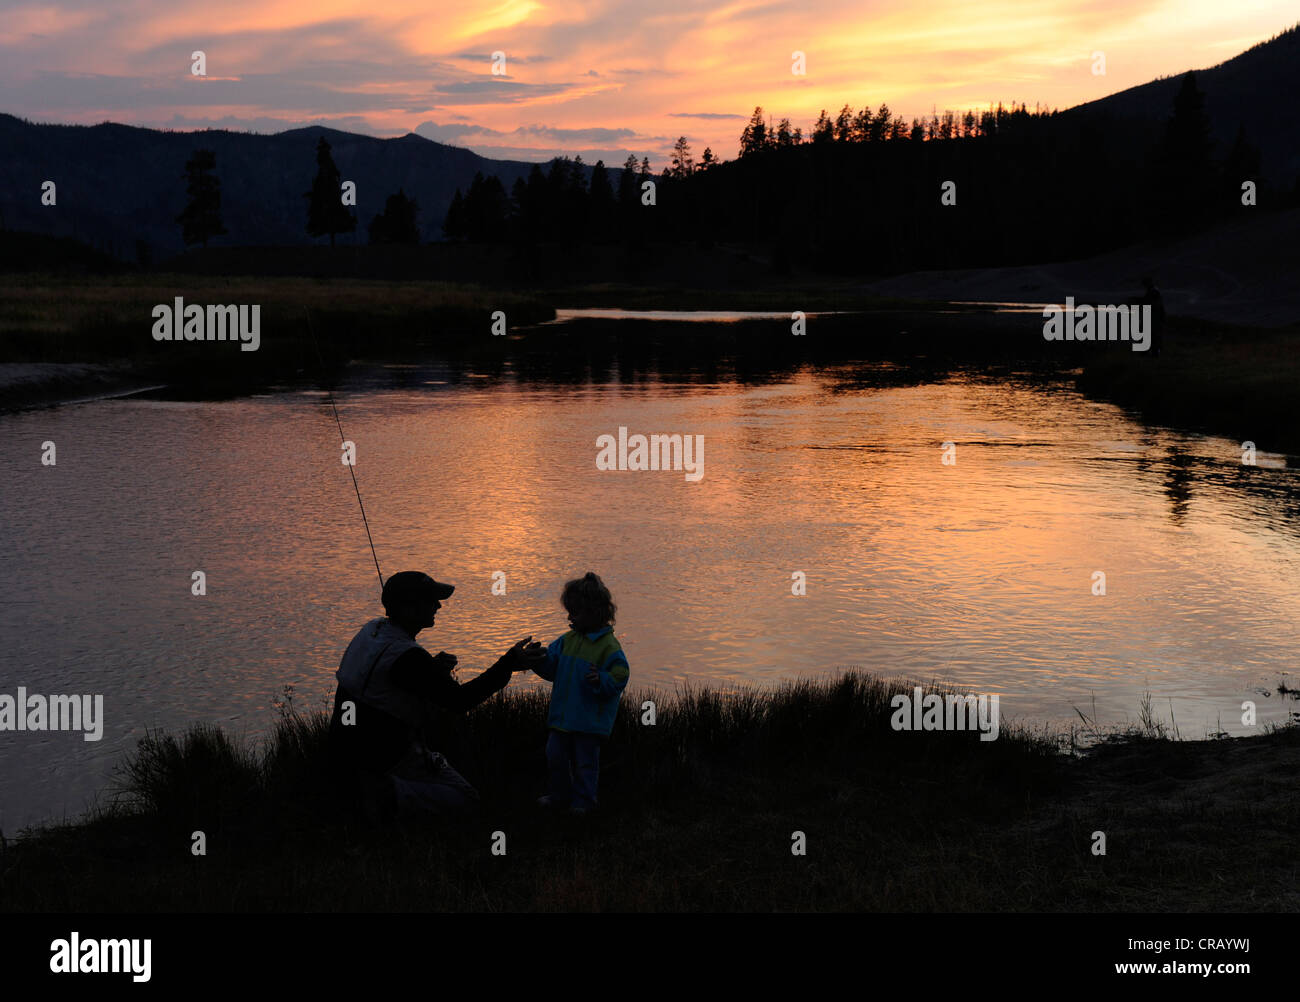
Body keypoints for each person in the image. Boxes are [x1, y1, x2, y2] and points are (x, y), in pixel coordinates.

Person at [328, 570, 543, 820]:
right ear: (409, 608)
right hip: (382, 756)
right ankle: (386, 794)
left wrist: (432, 669)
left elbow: (386, 679)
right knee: (466, 800)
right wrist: (507, 664)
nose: (438, 606)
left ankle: (365, 791)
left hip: (347, 749)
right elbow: (460, 701)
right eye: (430, 600)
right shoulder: (408, 656)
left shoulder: (372, 630)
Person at [532, 572, 630, 815]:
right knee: (555, 756)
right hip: (563, 717)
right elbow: (552, 667)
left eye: (574, 612)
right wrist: (537, 660)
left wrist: (603, 679)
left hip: (589, 720)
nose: (569, 617)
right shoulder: (566, 641)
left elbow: (620, 676)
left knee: (586, 762)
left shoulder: (609, 647)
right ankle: (559, 796)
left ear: (594, 612)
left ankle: (584, 802)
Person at [1138, 276, 1166, 356]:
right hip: (1153, 318)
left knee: (1151, 337)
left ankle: (1151, 353)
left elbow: (1154, 305)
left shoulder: (1153, 292)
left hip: (1152, 318)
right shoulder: (1154, 292)